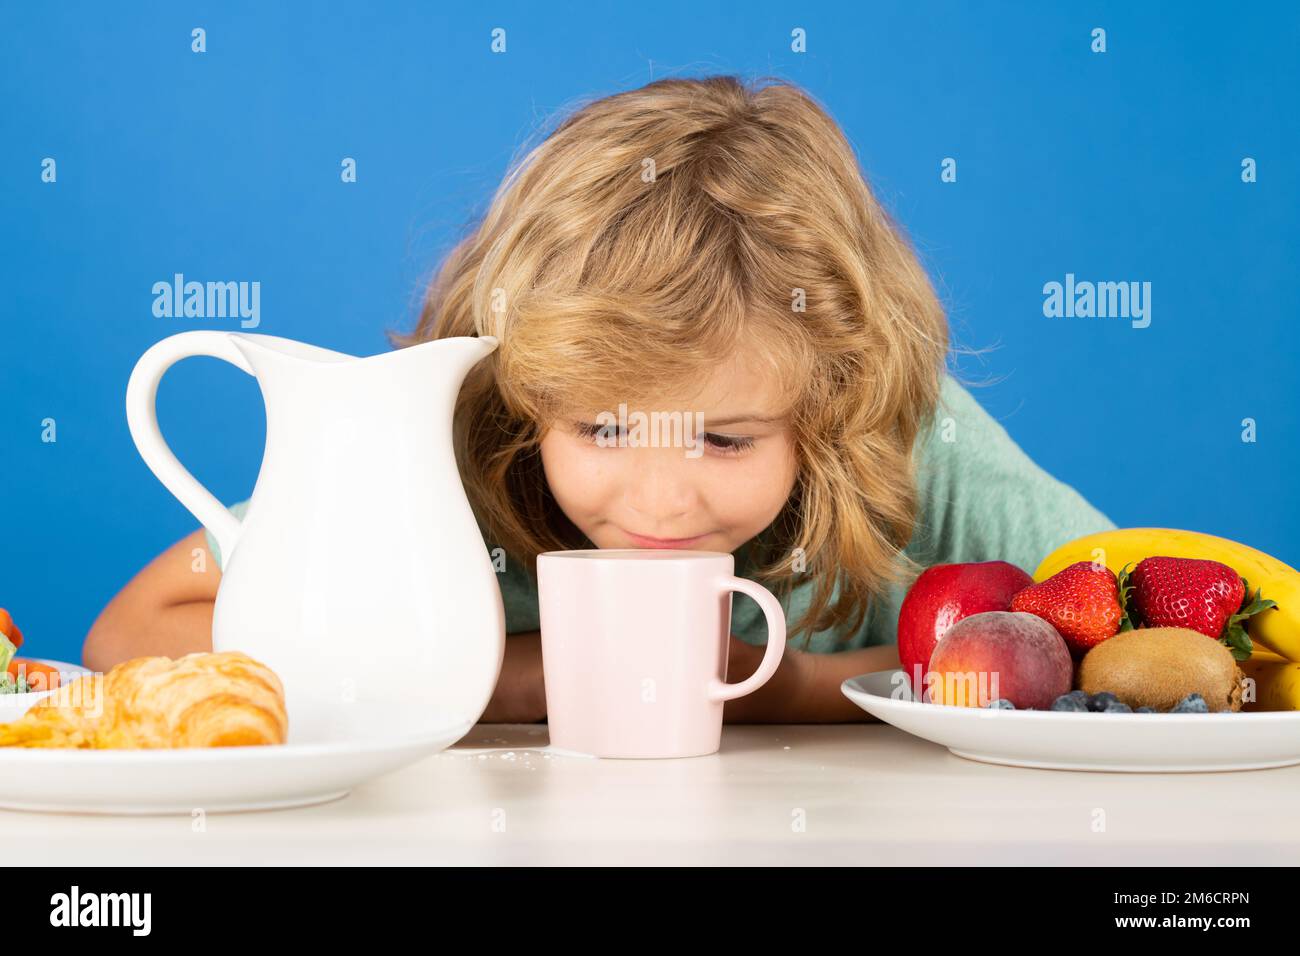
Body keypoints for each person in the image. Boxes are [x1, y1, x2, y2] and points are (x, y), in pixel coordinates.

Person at [85, 75, 1113, 723]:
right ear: (523, 396)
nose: (660, 502)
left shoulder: (907, 439)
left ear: (834, 402)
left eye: (722, 436)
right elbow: (129, 632)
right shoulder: (438, 468)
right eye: (603, 427)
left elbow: (1121, 627)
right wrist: (525, 673)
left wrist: (778, 682)